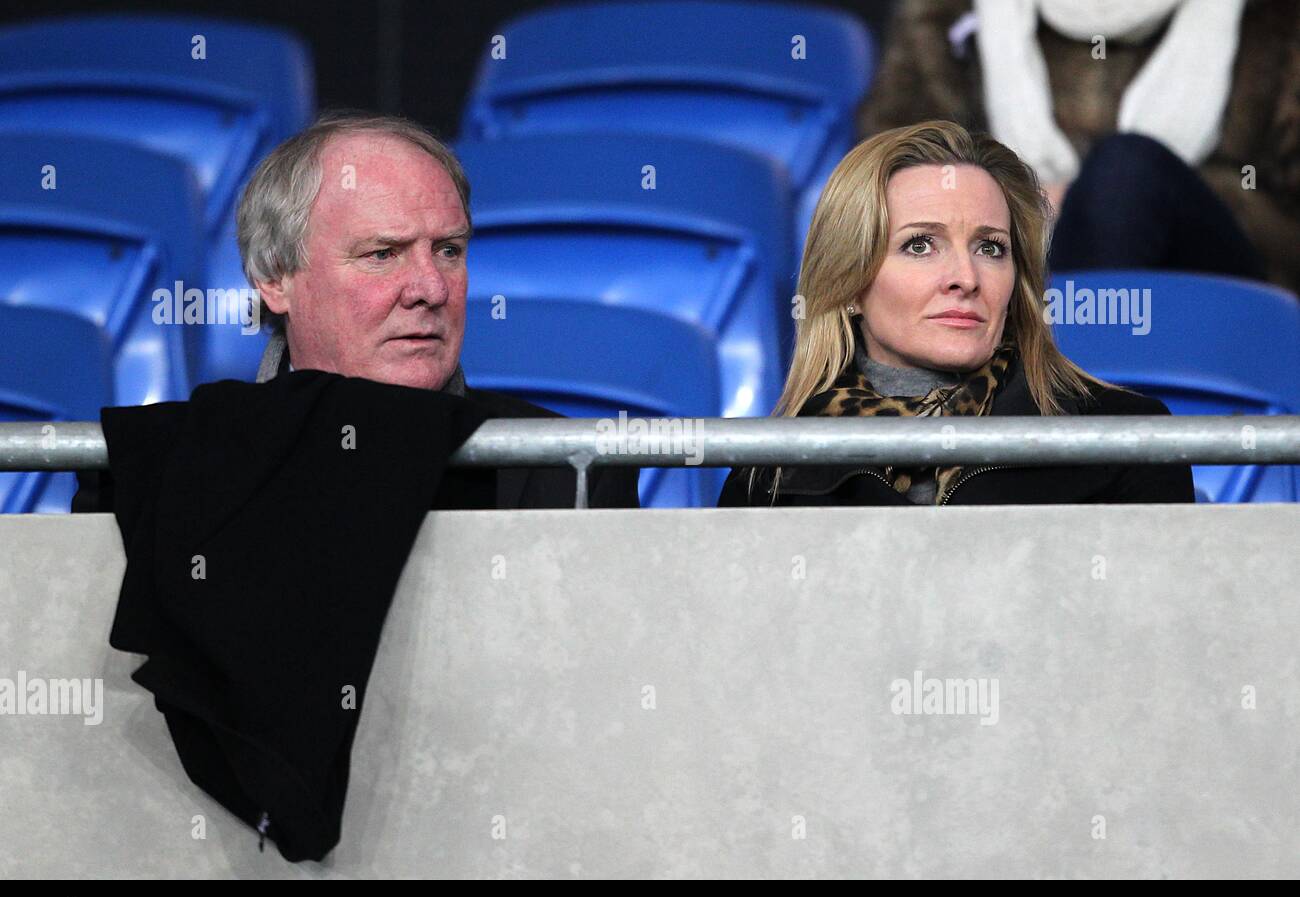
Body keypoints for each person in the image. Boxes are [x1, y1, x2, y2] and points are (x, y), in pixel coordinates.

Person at [73, 111, 639, 512]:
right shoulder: (151, 469)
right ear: (275, 278)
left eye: (448, 251)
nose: (430, 288)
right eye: (383, 254)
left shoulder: (569, 471)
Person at [718, 120, 1195, 507]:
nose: (966, 278)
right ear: (849, 285)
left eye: (990, 248)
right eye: (920, 245)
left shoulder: (1125, 440)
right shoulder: (772, 475)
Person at [857, 0, 1299, 292]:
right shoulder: (947, 12)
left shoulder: (1275, 16)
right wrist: (1011, 200)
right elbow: (892, 170)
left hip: (1222, 278)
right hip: (1009, 268)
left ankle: (1065, 390)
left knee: (1127, 172)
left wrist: (1108, 197)